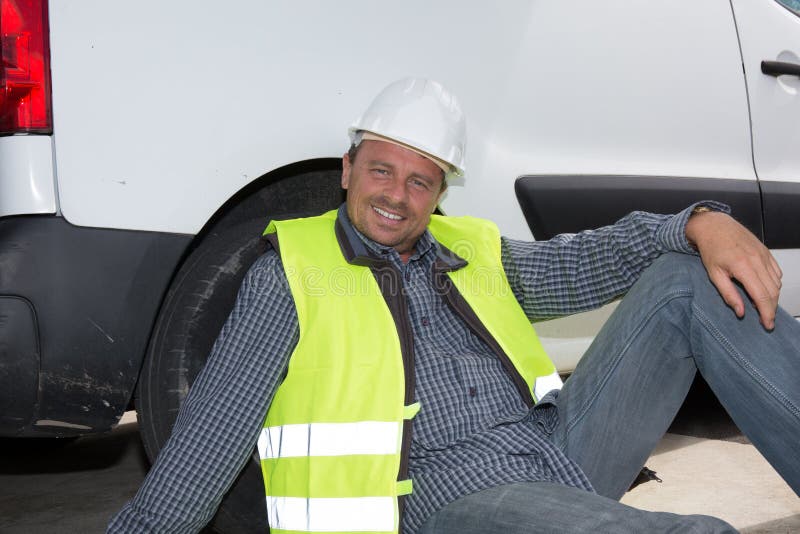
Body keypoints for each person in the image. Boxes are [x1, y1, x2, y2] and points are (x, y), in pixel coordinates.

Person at [108, 78, 799, 534]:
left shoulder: (467, 252)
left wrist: (696, 222)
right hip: (447, 497)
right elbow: (206, 442)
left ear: (439, 194)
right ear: (346, 170)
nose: (396, 195)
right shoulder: (291, 276)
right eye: (380, 169)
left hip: (552, 452)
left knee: (685, 279)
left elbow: (586, 260)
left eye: (420, 181)